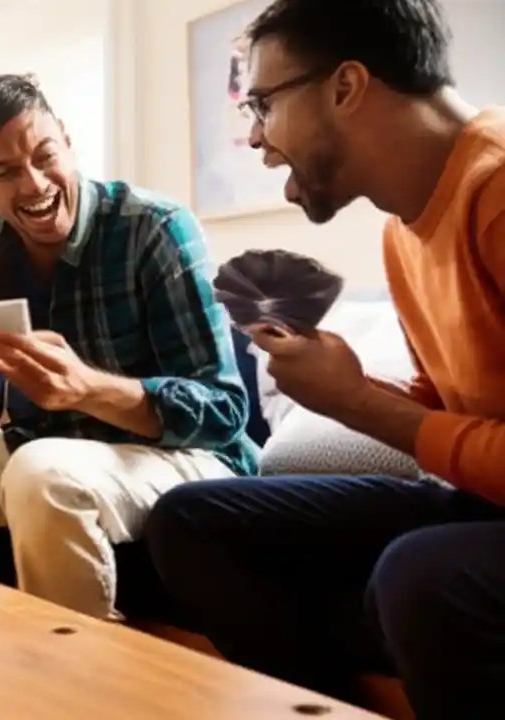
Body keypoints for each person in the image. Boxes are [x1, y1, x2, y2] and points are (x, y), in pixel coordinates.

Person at [144, 1, 505, 717]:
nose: (254, 137)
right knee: (189, 523)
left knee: (419, 577)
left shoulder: (495, 191)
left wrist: (359, 403)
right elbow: (449, 407)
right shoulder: (403, 232)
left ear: (345, 87)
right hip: (483, 503)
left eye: (265, 104)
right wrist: (348, 381)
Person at [0, 74, 257, 619]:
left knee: (41, 469)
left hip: (186, 457)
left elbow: (224, 410)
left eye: (45, 156)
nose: (35, 183)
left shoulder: (153, 228)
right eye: (5, 173)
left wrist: (87, 389)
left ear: (66, 139)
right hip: (54, 452)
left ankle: (73, 676)